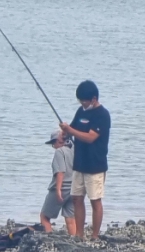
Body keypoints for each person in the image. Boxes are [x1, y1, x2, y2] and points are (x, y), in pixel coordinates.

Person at [59, 80, 111, 241]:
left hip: (95, 165)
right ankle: (79, 235)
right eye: (80, 100)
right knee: (76, 198)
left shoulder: (102, 115)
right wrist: (65, 133)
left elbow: (90, 137)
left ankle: (95, 235)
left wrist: (70, 130)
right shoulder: (81, 112)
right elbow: (73, 130)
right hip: (79, 163)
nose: (82, 103)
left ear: (93, 99)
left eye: (84, 100)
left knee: (95, 200)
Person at [40, 129, 76, 235]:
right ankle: (75, 240)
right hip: (74, 187)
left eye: (53, 143)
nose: (53, 146)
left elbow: (60, 171)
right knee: (70, 218)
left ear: (58, 141)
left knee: (44, 216)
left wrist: (58, 190)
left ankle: (48, 238)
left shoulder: (59, 152)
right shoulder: (75, 149)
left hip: (62, 187)